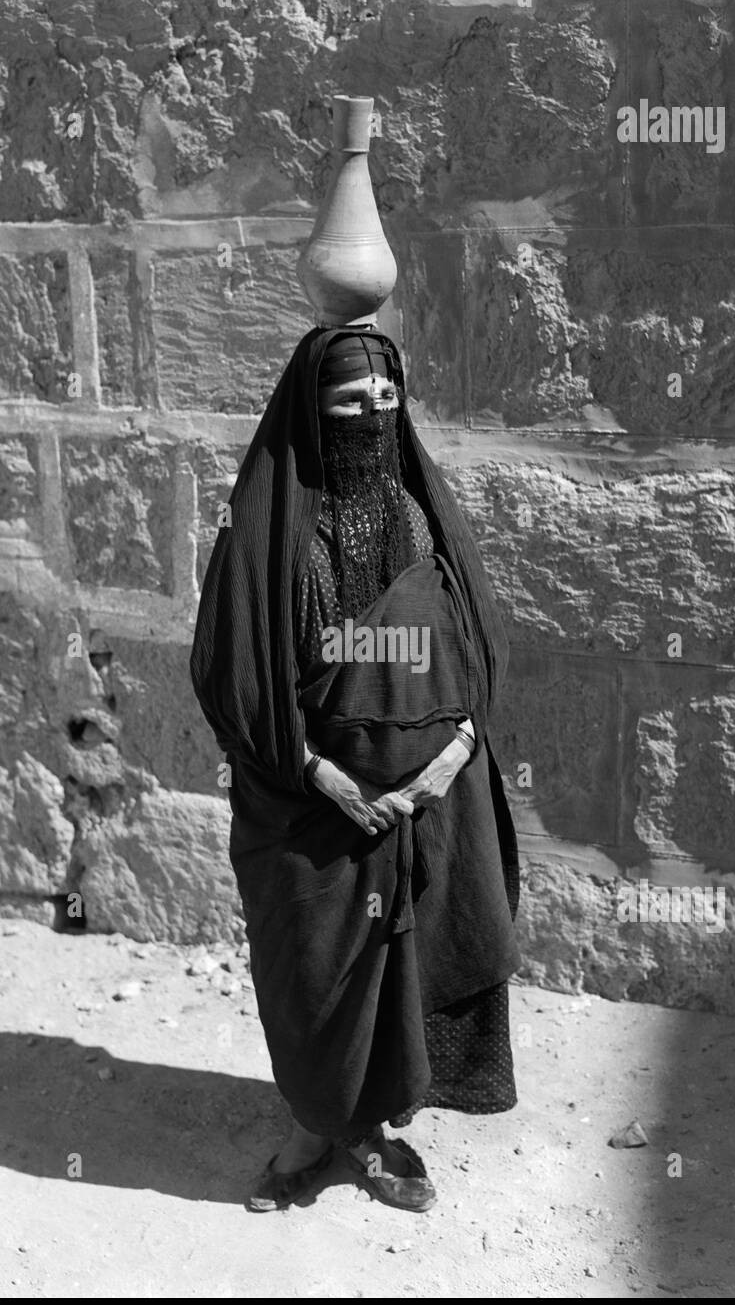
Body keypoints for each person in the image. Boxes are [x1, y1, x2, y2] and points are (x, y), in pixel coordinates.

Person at [189, 325, 521, 1213]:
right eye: (349, 403)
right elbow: (236, 673)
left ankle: (373, 1130)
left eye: (385, 401)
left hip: (418, 807)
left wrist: (441, 766)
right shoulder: (273, 539)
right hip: (310, 810)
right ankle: (311, 1125)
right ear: (313, 412)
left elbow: (467, 661)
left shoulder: (418, 521)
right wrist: (320, 775)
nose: (372, 417)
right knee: (308, 974)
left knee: (396, 974)